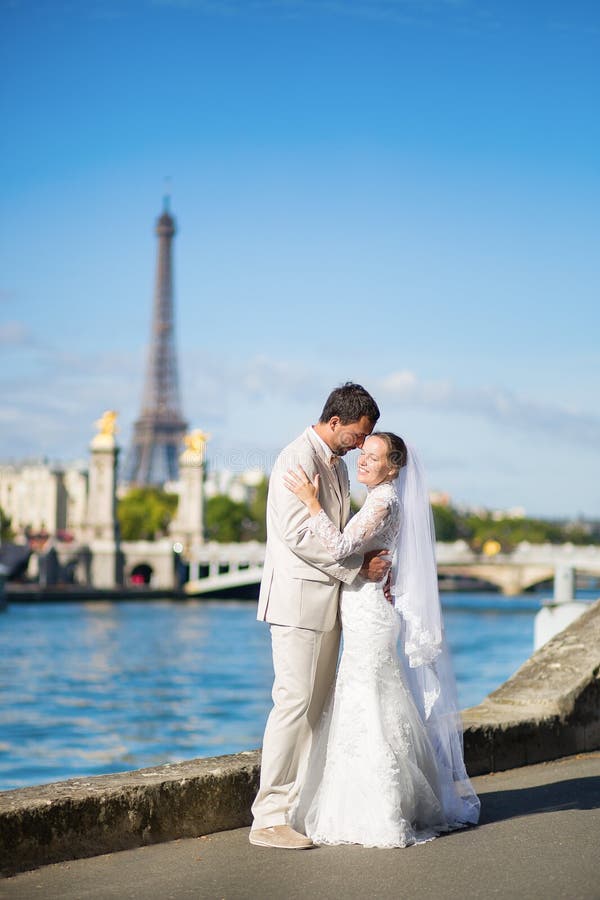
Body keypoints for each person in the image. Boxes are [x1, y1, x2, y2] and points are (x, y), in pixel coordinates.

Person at [284, 432, 480, 848]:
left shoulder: (383, 501)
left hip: (369, 611)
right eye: (363, 454)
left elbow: (338, 547)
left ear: (393, 467)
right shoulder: (384, 499)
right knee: (373, 696)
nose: (363, 461)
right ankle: (385, 801)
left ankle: (376, 807)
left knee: (366, 697)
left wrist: (311, 501)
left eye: (373, 458)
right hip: (365, 608)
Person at [249, 383, 392, 850]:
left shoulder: (334, 465)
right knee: (292, 704)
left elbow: (335, 532)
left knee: (314, 710)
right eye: (357, 434)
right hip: (298, 603)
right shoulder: (297, 459)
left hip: (324, 602)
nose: (359, 444)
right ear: (335, 422)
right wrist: (357, 568)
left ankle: (297, 809)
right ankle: (268, 818)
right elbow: (299, 535)